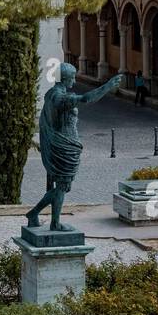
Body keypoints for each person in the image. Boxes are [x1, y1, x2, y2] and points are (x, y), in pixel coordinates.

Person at [27, 64, 123, 231]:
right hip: (64, 147)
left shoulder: (52, 93)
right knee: (63, 186)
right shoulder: (59, 98)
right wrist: (107, 86)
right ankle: (52, 222)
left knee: (63, 187)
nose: (75, 80)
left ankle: (36, 215)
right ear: (64, 79)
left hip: (66, 146)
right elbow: (86, 99)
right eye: (72, 77)